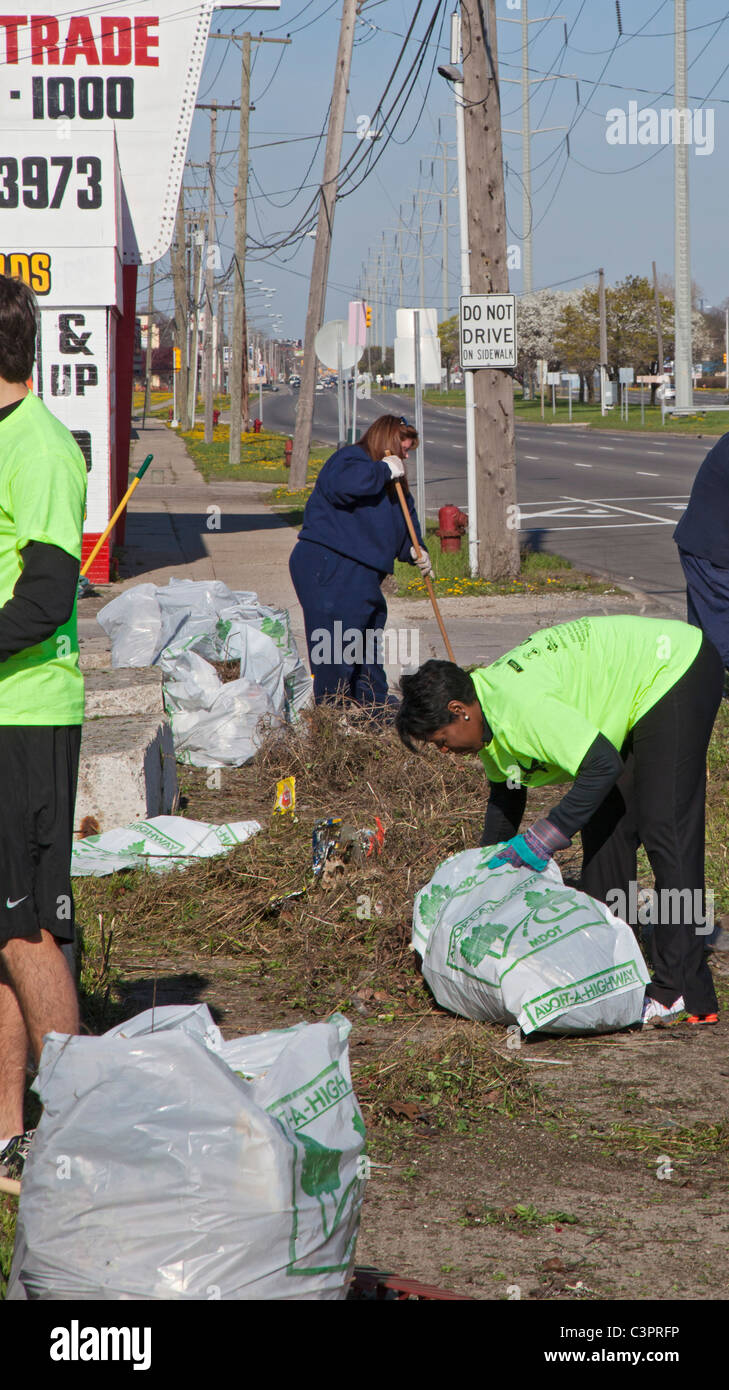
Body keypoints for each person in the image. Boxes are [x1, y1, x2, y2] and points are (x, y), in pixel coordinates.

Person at [395, 615, 722, 1027]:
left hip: (672, 668)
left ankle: (683, 991)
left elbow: (601, 765)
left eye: (441, 740)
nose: (444, 751)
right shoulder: (486, 719)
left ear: (459, 711)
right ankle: (607, 968)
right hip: (627, 698)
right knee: (606, 830)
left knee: (667, 827)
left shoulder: (519, 707)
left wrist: (542, 839)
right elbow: (507, 797)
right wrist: (481, 873)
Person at [0, 275, 87, 1179]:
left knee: (26, 927)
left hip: (25, 716)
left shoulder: (42, 449)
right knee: (1, 928)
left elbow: (45, 599)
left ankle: (82, 1125)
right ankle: (9, 1135)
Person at [289, 414, 432, 706]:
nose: (406, 456)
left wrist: (416, 550)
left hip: (362, 572)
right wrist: (382, 471)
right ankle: (331, 715)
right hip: (330, 563)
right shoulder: (352, 461)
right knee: (336, 644)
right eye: (404, 448)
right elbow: (345, 488)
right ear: (389, 443)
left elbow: (405, 527)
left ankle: (371, 706)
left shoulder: (394, 485)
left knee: (365, 641)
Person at [674, 431, 729, 668]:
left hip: (708, 543)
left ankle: (702, 684)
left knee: (705, 641)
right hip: (711, 552)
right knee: (719, 638)